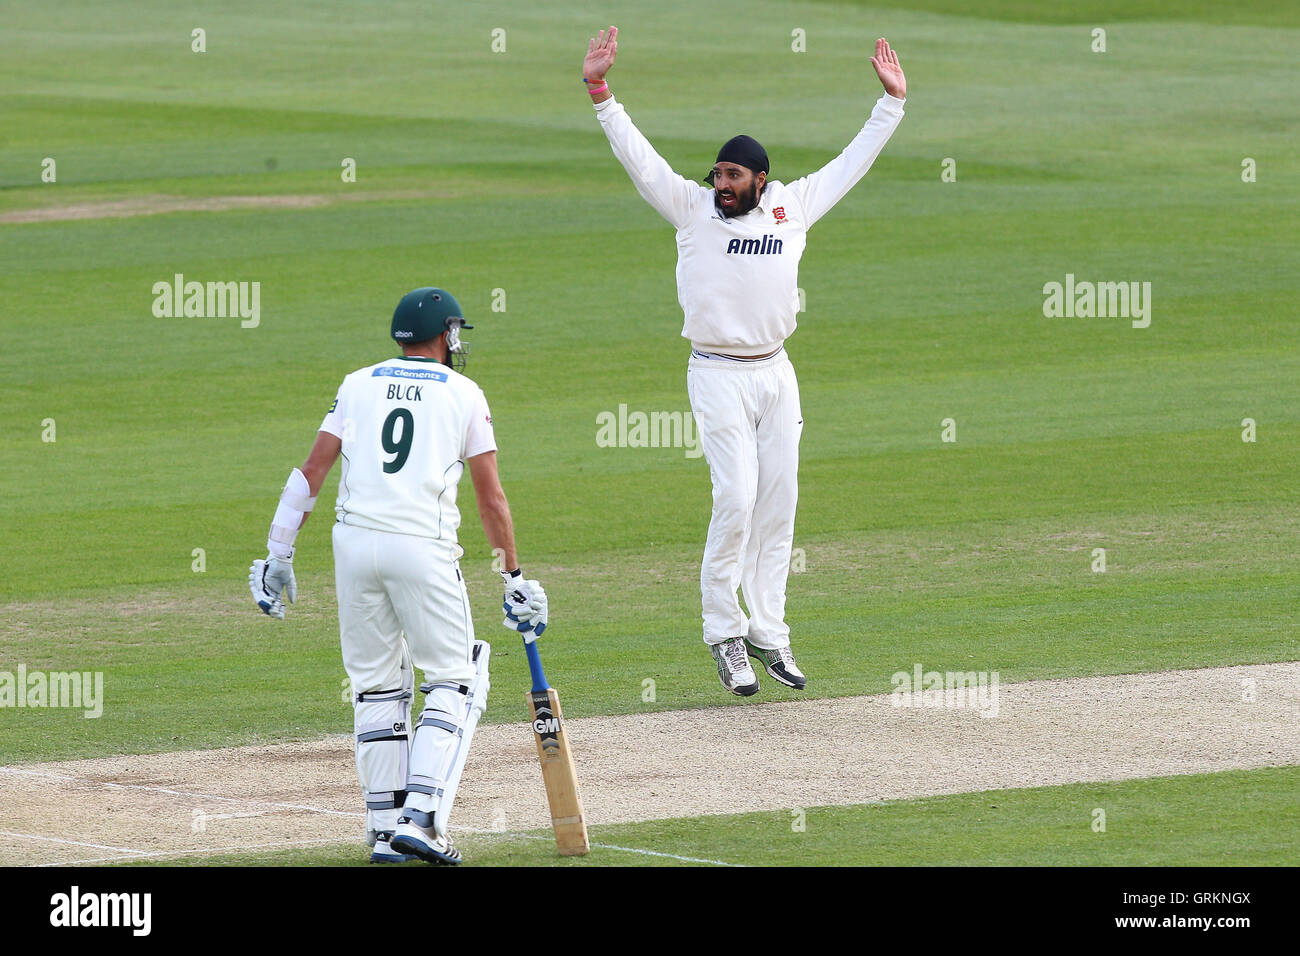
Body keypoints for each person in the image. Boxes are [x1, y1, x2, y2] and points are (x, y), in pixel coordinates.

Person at [581, 26, 907, 696]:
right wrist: (601, 92)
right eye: (718, 175)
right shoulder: (692, 210)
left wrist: (891, 106)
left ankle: (771, 634)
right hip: (716, 371)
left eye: (733, 175)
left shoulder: (792, 206)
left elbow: (851, 163)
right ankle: (723, 633)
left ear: (761, 179)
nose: (721, 184)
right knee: (735, 497)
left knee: (779, 503)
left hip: (775, 373)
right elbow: (642, 162)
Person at [248, 287, 549, 865]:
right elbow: (491, 497)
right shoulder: (464, 392)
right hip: (422, 549)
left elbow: (311, 470)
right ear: (446, 334)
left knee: (377, 688)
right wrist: (513, 573)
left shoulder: (357, 382)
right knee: (457, 680)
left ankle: (385, 828)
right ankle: (425, 818)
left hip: (353, 547)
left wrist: (278, 554)